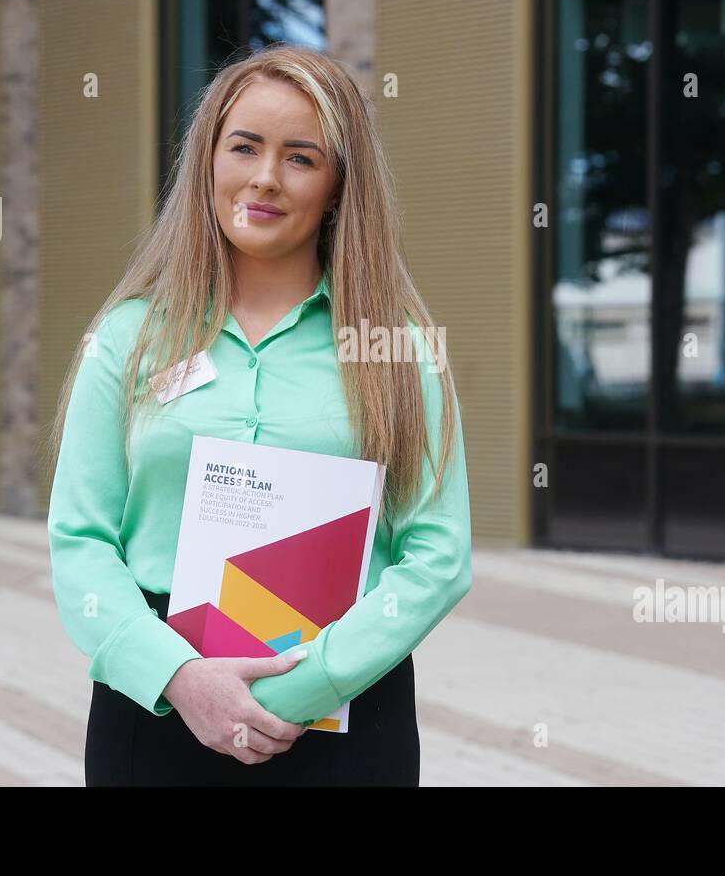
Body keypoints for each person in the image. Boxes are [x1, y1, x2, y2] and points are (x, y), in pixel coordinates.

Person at [45, 43, 472, 786]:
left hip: (345, 710)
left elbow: (438, 554)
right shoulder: (127, 337)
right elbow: (81, 539)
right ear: (209, 160)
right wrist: (181, 678)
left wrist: (304, 687)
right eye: (244, 147)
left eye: (301, 158)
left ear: (340, 185)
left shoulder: (399, 349)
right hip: (156, 709)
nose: (265, 177)